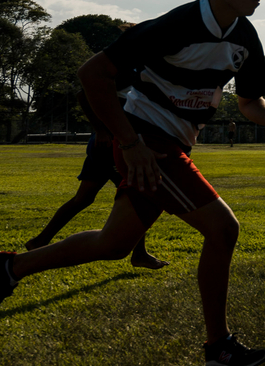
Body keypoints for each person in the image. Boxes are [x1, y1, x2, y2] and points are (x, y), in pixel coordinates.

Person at [0, 0, 265, 366]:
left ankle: (10, 268)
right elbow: (92, 74)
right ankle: (219, 348)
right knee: (223, 229)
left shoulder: (245, 38)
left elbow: (249, 100)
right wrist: (130, 143)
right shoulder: (175, 26)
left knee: (114, 244)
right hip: (150, 143)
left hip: (172, 143)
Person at [24, 90, 167, 270]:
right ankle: (139, 255)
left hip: (110, 144)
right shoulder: (125, 76)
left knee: (84, 199)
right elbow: (83, 94)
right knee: (136, 196)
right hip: (112, 145)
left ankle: (40, 241)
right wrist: (100, 130)